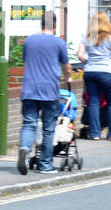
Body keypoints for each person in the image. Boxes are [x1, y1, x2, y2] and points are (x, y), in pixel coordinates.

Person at [19, 10, 72, 174]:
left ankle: (25, 148)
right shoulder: (59, 43)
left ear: (41, 24)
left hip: (29, 89)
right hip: (49, 90)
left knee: (29, 124)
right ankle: (45, 165)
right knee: (49, 129)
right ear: (55, 25)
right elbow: (66, 67)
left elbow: (26, 61)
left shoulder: (28, 41)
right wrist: (67, 78)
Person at [76, 11, 111, 142]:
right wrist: (109, 61)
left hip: (90, 72)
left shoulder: (86, 37)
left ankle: (95, 133)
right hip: (106, 72)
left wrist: (88, 62)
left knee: (93, 102)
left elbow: (80, 55)